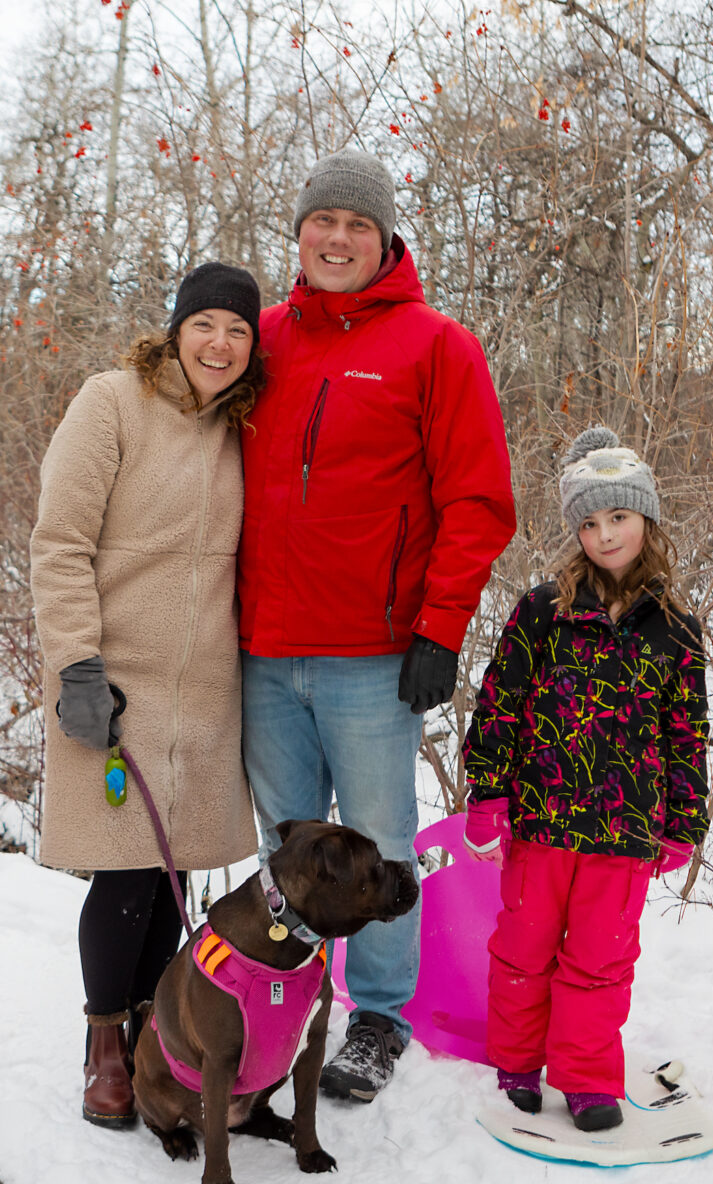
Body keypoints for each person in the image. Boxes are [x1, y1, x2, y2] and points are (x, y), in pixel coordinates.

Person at [237, 149, 515, 1101]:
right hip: (264, 650)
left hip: (371, 656)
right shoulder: (261, 339)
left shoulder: (436, 346)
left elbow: (477, 499)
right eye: (325, 222)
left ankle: (381, 1014)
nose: (340, 239)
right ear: (301, 233)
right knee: (287, 842)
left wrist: (440, 629)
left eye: (359, 224)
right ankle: (283, 992)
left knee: (381, 838)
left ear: (387, 237)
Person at [30, 263, 266, 1128]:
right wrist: (77, 664)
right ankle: (101, 1043)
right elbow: (59, 542)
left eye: (238, 332)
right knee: (124, 877)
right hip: (115, 682)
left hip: (206, 691)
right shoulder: (112, 401)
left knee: (172, 882)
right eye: (205, 325)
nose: (219, 344)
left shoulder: (243, 427)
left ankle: (144, 1032)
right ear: (175, 330)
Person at [459, 426, 708, 1131]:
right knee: (524, 948)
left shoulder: (676, 628)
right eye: (590, 522)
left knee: (601, 962)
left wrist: (683, 822)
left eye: (618, 517)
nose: (604, 535)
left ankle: (587, 1075)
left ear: (645, 517)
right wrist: (489, 793)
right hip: (541, 822)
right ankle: (516, 1062)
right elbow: (499, 702)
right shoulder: (544, 612)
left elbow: (687, 729)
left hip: (624, 835)